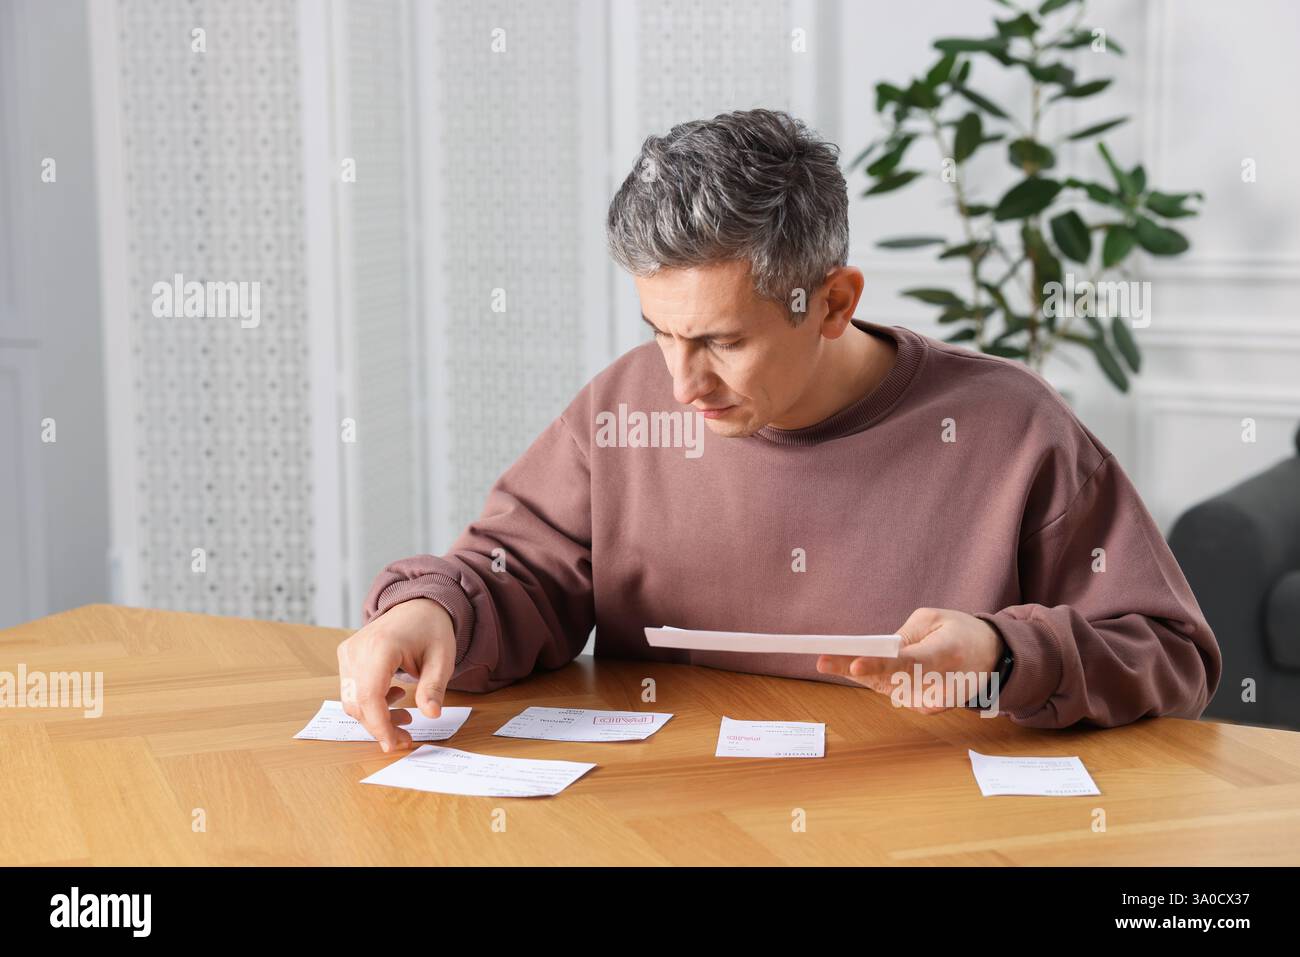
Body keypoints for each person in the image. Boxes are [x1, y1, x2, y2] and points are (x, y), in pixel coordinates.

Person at [336, 108, 1221, 752]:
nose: (680, 383)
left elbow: (1172, 654)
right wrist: (429, 609)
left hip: (928, 825)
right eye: (660, 333)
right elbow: (517, 575)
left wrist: (999, 655)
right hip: (672, 820)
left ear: (831, 302)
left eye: (722, 341)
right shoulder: (625, 405)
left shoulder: (1013, 431)